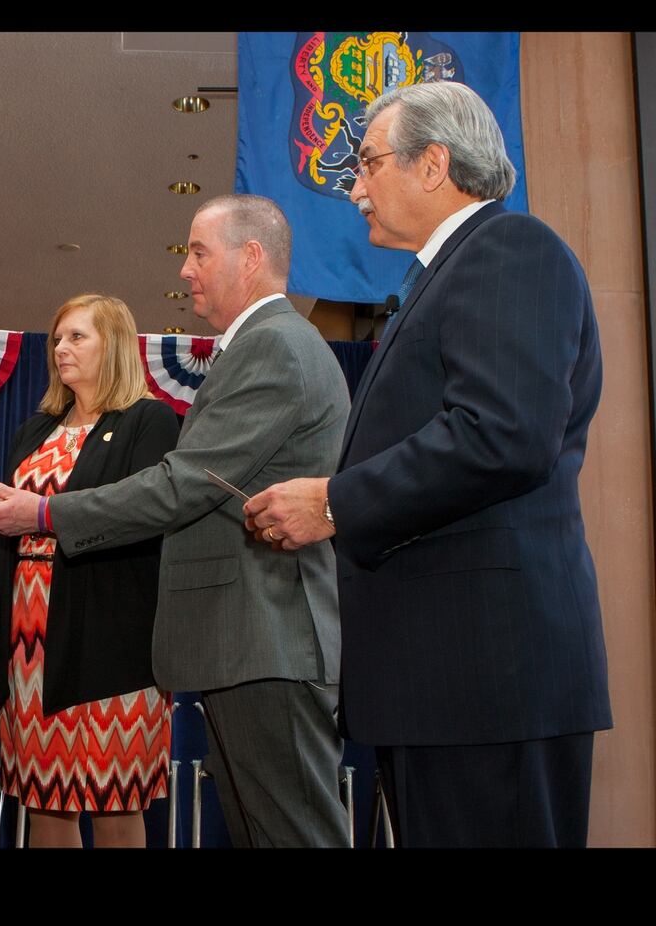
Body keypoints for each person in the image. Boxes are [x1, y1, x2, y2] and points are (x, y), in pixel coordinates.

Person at [242, 82, 612, 847]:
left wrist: (335, 504)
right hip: (451, 681)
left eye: (369, 163)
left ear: (435, 163)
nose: (353, 188)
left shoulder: (511, 251)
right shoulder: (445, 276)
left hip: (486, 678)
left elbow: (501, 434)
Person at [0, 201, 352, 847]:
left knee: (293, 834)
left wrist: (43, 511)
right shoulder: (260, 347)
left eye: (200, 251)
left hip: (267, 634)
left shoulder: (275, 346)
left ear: (250, 257)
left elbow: (184, 485)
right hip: (249, 639)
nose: (186, 268)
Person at [0, 294, 179, 847]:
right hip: (28, 647)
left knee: (114, 803)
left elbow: (143, 521)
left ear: (114, 345)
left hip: (108, 642)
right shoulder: (35, 429)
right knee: (46, 803)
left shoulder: (150, 420)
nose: (61, 348)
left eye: (78, 336)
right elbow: (18, 537)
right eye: (57, 338)